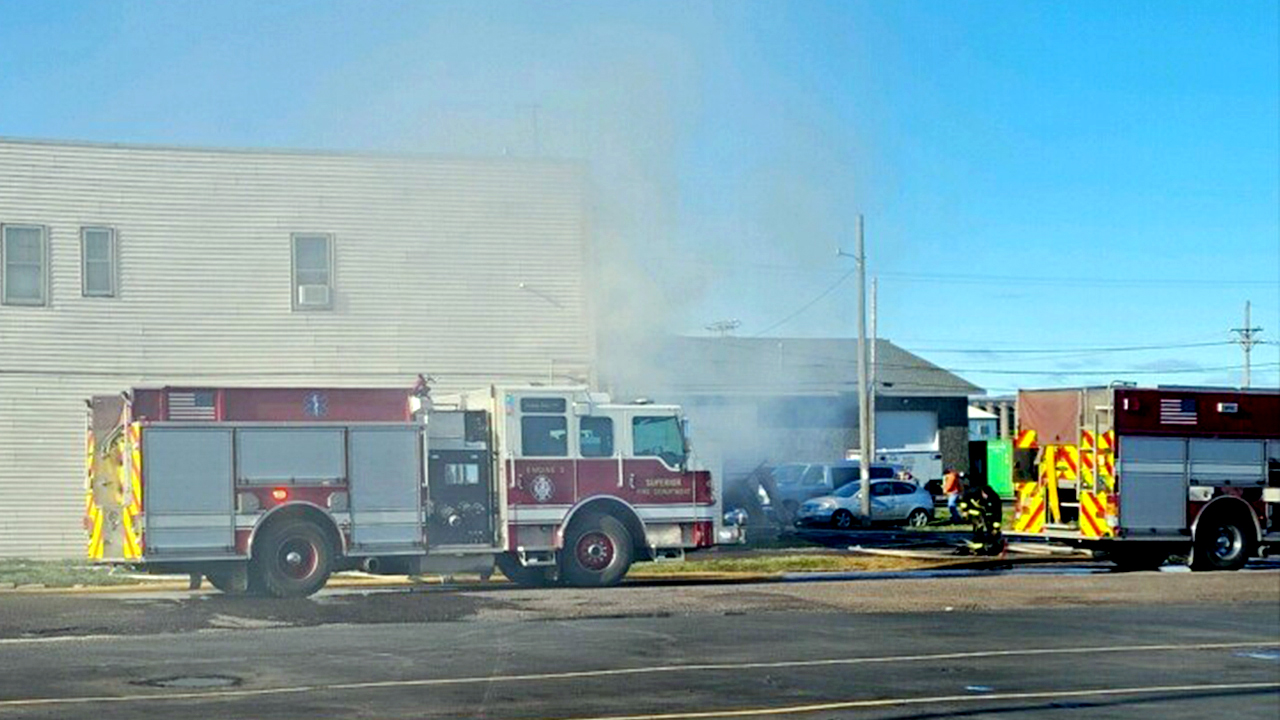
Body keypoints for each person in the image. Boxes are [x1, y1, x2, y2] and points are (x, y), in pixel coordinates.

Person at [959, 474, 1005, 556]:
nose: (986, 497)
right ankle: (978, 546)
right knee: (978, 526)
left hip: (988, 514)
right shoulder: (972, 492)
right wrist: (964, 510)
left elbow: (998, 513)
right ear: (982, 492)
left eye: (988, 495)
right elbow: (964, 499)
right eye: (985, 494)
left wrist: (996, 528)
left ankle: (994, 545)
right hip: (974, 511)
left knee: (991, 529)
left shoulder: (995, 498)